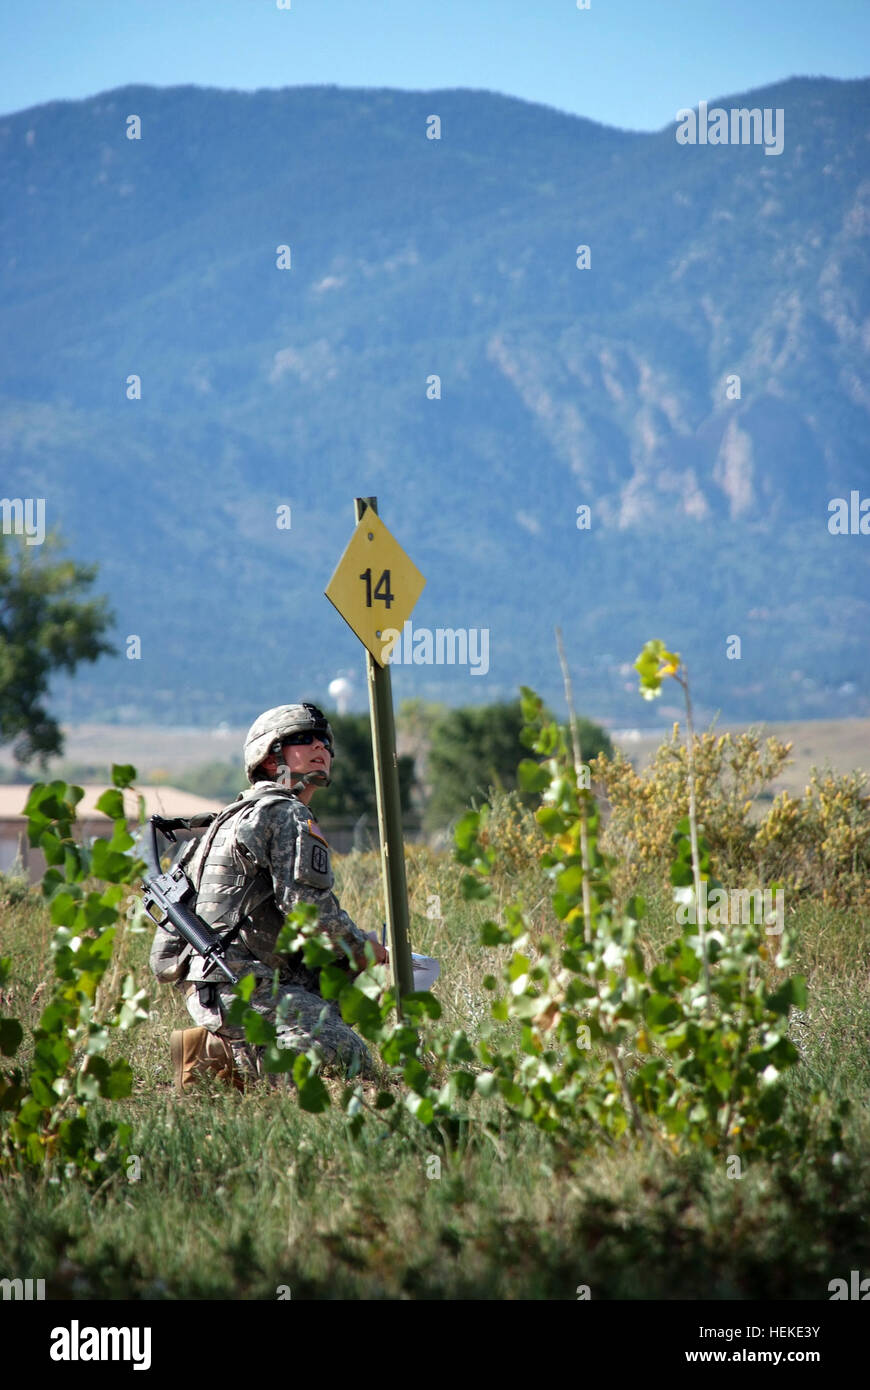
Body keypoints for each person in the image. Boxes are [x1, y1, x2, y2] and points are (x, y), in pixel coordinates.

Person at [154, 703, 387, 1092]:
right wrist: (364, 948)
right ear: (268, 758)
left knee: (339, 1003)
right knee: (348, 1054)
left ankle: (229, 1046)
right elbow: (308, 913)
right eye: (301, 739)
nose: (319, 747)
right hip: (245, 986)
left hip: (214, 989)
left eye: (324, 741)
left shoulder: (228, 818)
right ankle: (219, 1056)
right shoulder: (286, 813)